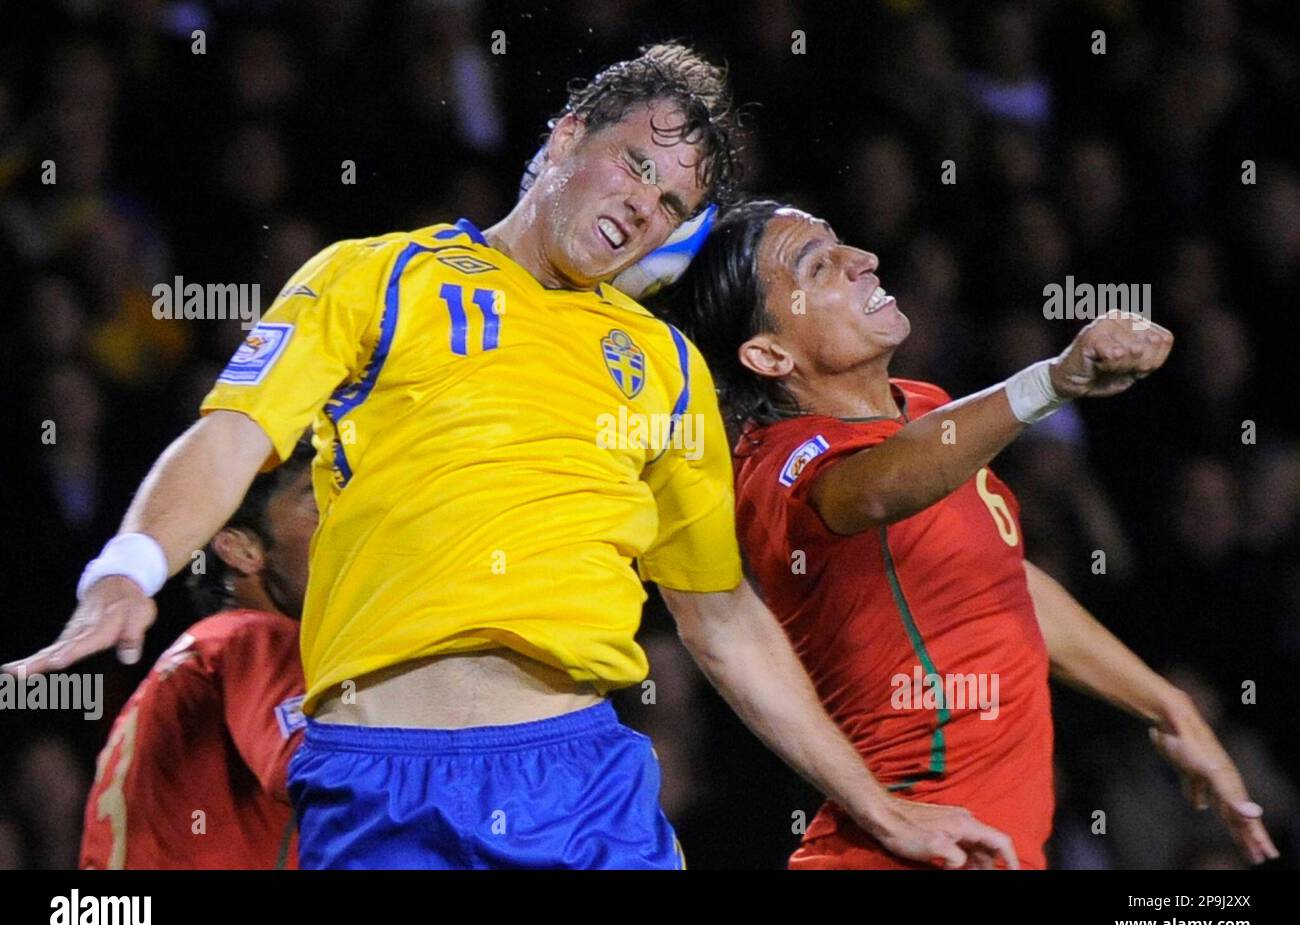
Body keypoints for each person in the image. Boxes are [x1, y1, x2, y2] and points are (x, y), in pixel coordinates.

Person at [8, 45, 1015, 870]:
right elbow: (232, 432)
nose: (642, 208)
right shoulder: (378, 276)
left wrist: (879, 808)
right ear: (565, 135)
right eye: (634, 165)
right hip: (383, 777)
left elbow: (720, 615)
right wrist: (129, 565)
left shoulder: (662, 365)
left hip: (584, 783)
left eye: (670, 206)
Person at [653, 199, 1279, 868]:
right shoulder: (777, 461)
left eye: (844, 245)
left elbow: (1001, 580)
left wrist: (1165, 704)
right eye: (818, 266)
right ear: (770, 353)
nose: (863, 260)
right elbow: (874, 487)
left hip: (995, 846)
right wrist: (1053, 380)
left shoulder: (923, 407)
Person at [80, 439, 315, 869]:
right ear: (243, 550)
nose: (349, 526)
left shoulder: (201, 652)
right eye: (318, 507)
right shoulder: (247, 638)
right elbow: (328, 773)